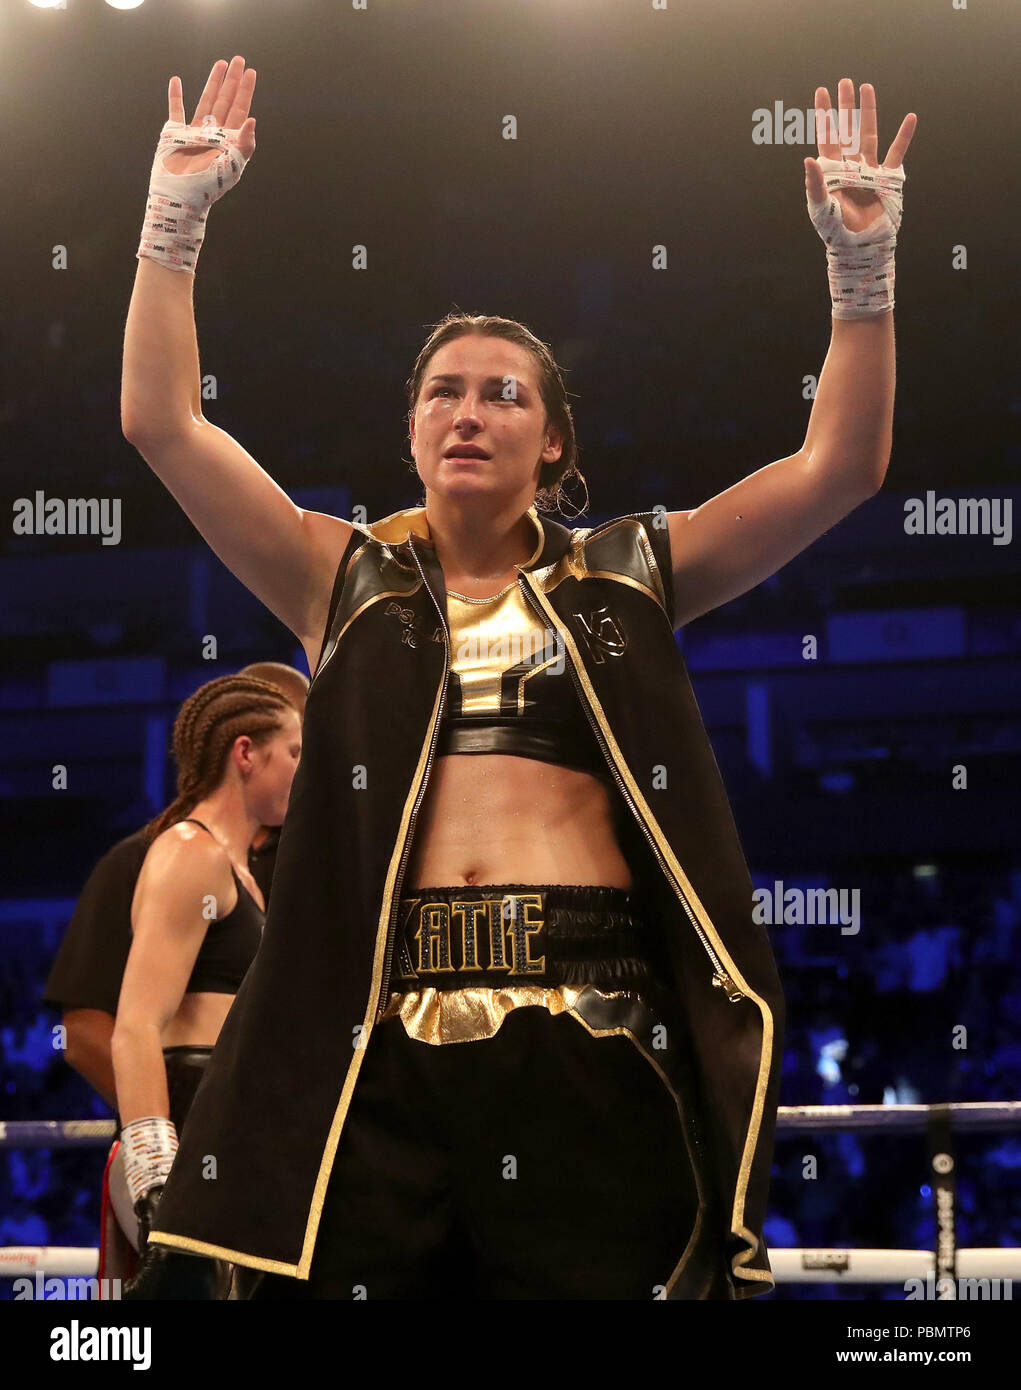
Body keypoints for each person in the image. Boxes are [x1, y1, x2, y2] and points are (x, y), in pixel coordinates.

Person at [120, 58, 915, 1299]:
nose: (467, 411)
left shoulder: (630, 571)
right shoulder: (347, 578)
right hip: (382, 1048)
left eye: (503, 394)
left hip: (585, 1037)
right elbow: (163, 424)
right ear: (411, 432)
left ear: (552, 442)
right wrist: (174, 222)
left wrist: (859, 275)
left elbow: (840, 468)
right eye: (443, 391)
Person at [42, 664, 307, 1288]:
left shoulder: (242, 873)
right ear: (246, 753)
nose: (305, 767)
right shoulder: (189, 852)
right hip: (194, 1120)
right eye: (294, 751)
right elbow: (133, 1024)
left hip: (238, 1122)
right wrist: (157, 1168)